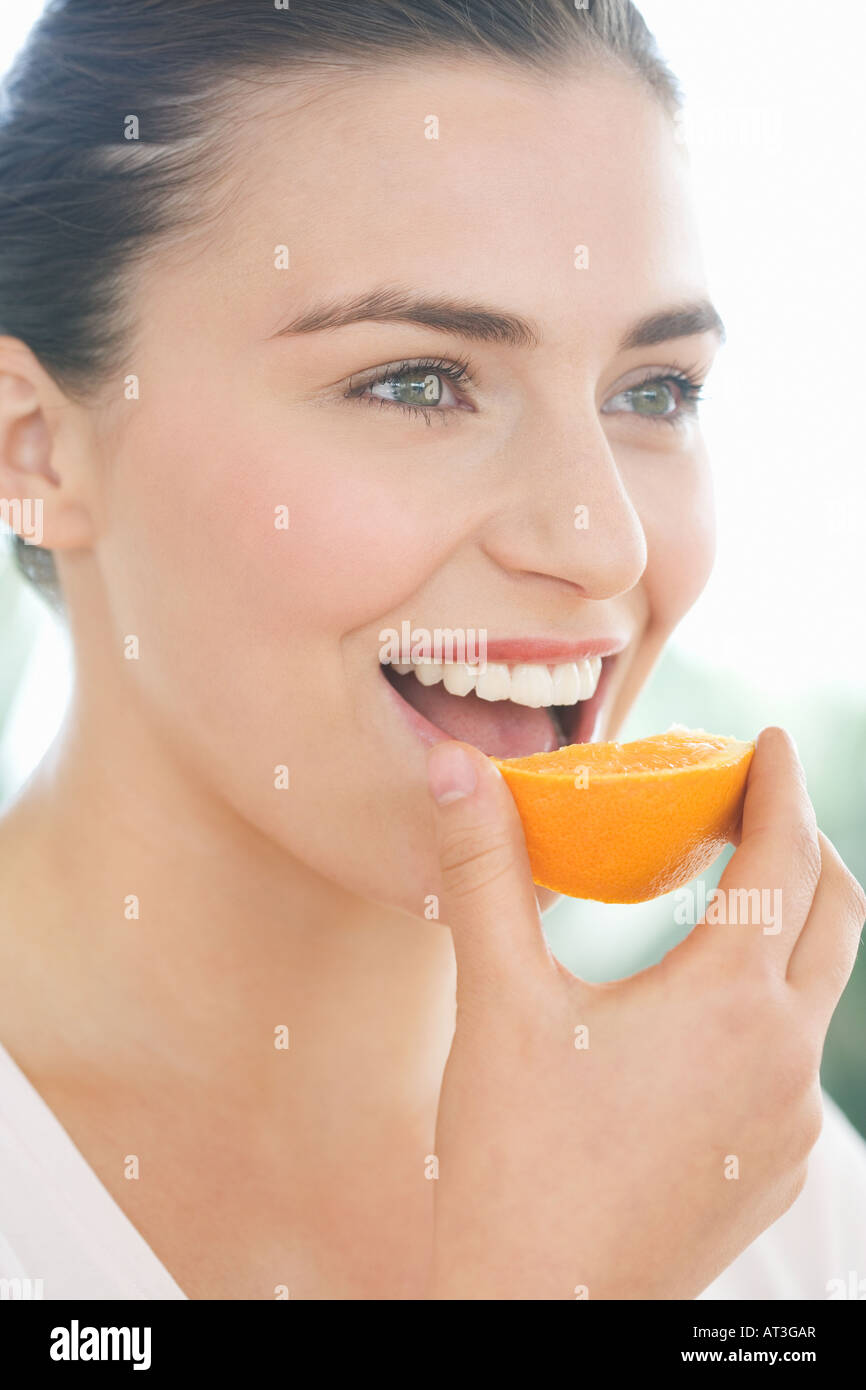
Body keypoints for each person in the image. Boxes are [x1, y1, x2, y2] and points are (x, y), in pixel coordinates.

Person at [0, 0, 863, 1300]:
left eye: (652, 392)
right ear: (34, 448)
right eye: (414, 381)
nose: (601, 542)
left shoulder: (772, 1192)